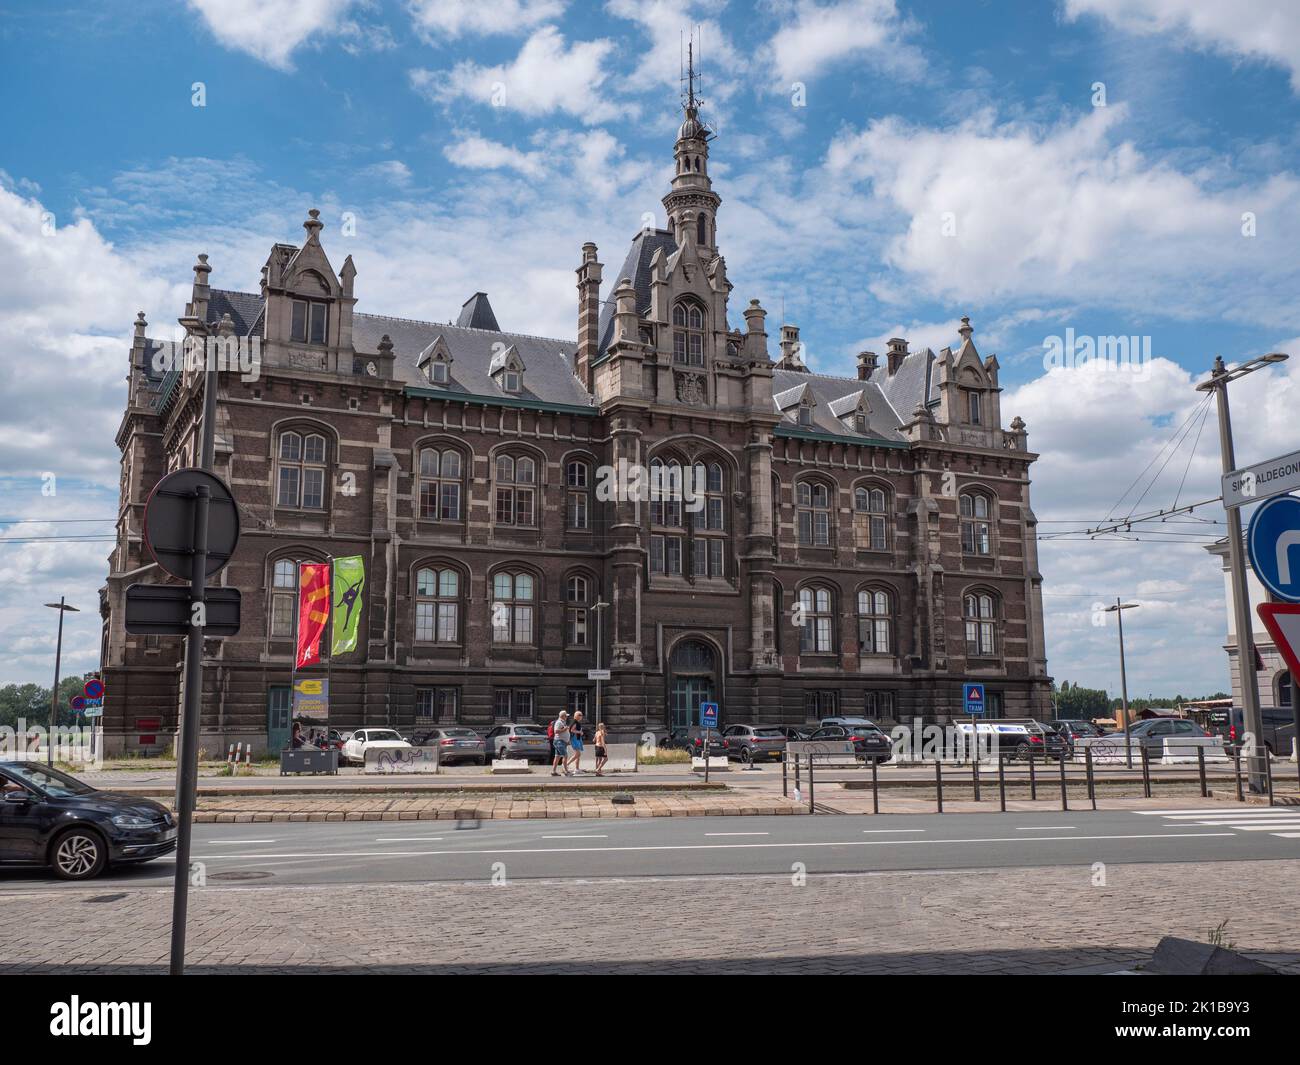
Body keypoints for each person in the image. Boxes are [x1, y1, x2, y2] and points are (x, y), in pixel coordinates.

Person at [551, 710, 571, 776]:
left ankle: (553, 771)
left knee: (557, 757)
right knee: (565, 755)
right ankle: (566, 771)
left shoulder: (563, 722)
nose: (567, 717)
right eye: (566, 716)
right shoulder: (559, 722)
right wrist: (564, 729)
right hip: (559, 742)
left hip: (561, 741)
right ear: (563, 716)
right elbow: (556, 731)